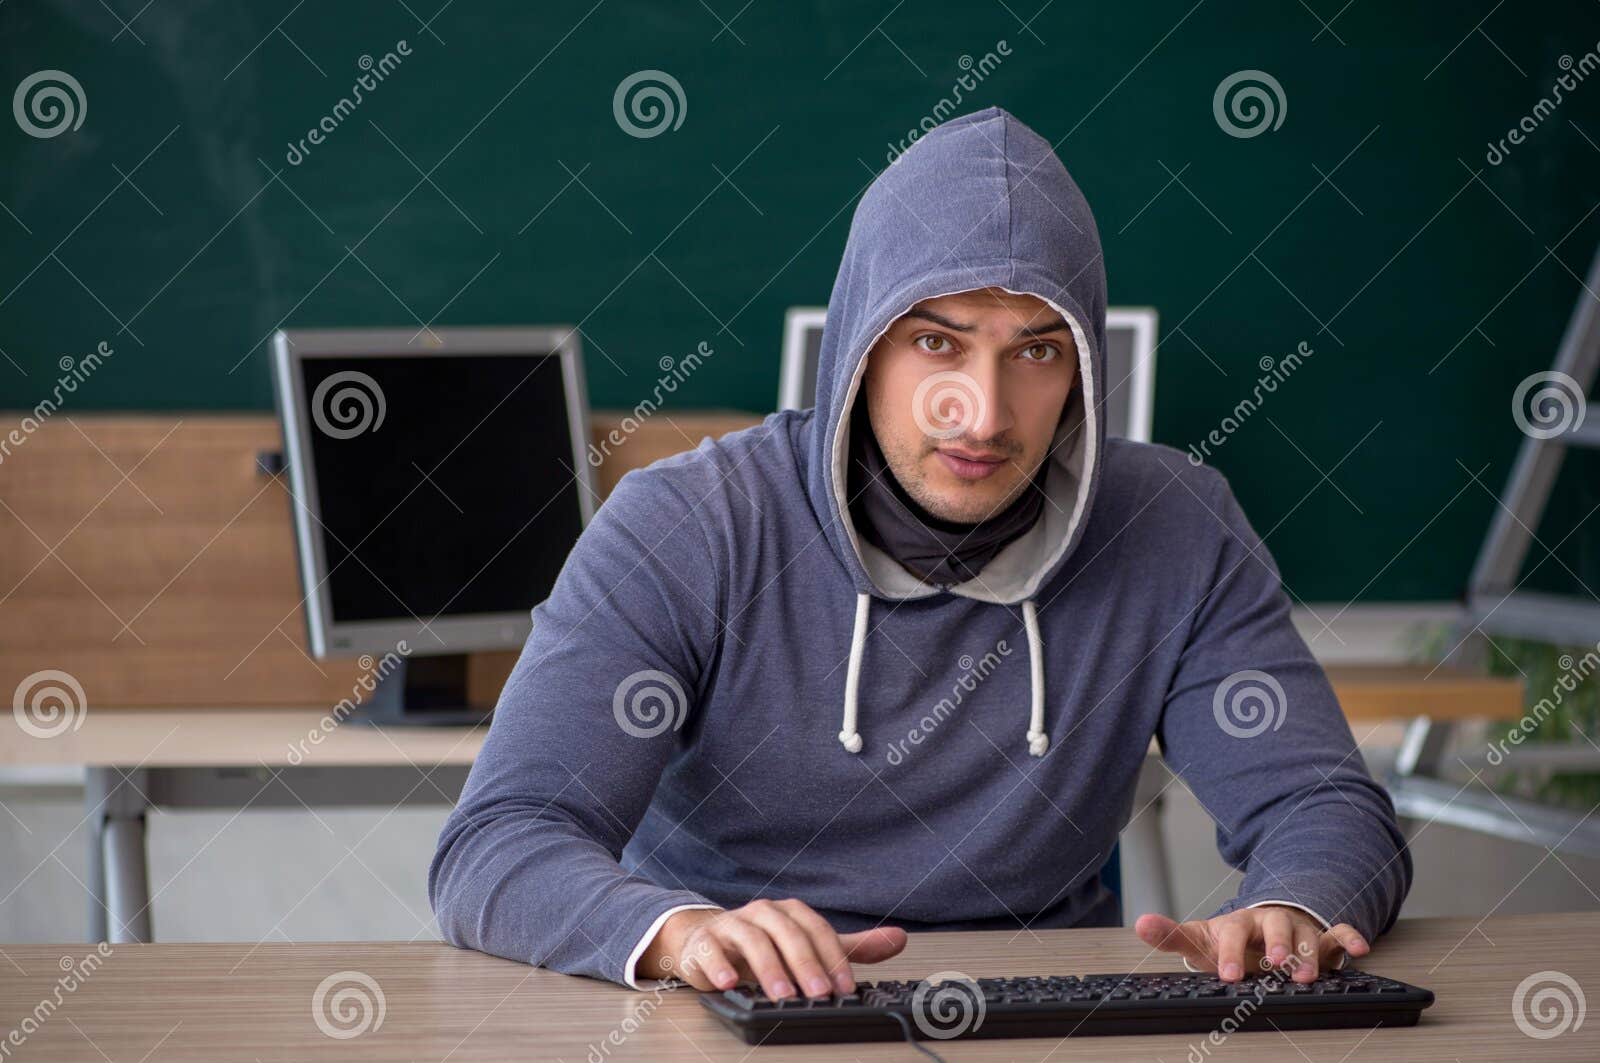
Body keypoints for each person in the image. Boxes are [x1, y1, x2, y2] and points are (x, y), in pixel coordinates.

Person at [429, 106, 1411, 1000]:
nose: (983, 414)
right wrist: (682, 931)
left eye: (1036, 351)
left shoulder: (1175, 526)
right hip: (736, 1016)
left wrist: (1299, 906)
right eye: (937, 343)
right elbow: (498, 845)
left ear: (1084, 368)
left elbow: (1321, 804)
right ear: (861, 346)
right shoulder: (689, 522)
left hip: (1048, 1029)